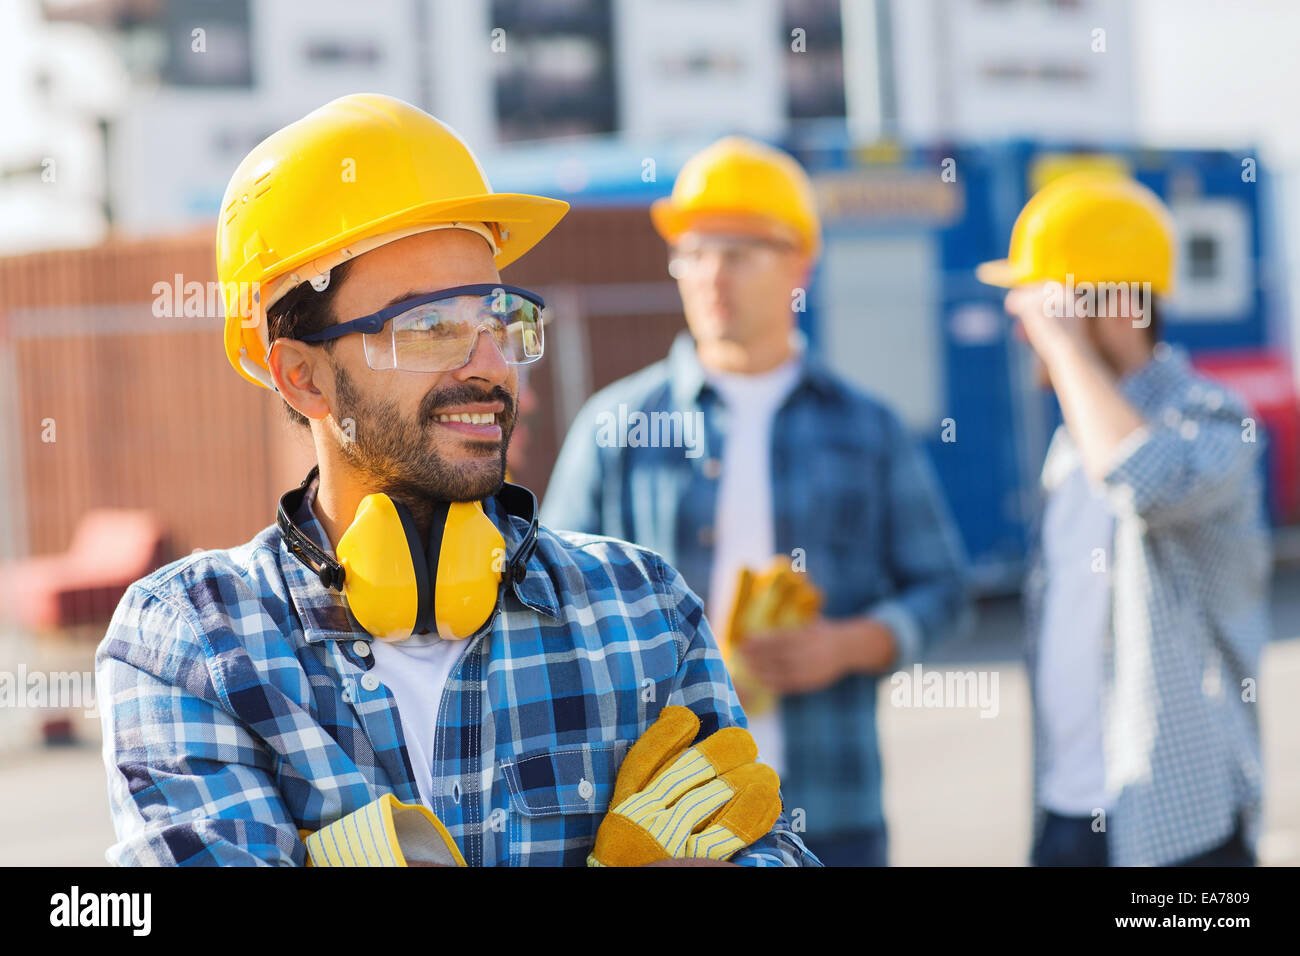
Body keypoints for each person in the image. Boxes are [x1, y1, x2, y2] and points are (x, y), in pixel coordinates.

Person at [94, 94, 819, 867]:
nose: (491, 365)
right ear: (303, 378)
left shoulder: (642, 609)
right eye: (431, 327)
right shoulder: (194, 645)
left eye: (500, 319)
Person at [542, 136, 969, 866]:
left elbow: (944, 589)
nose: (711, 274)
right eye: (694, 252)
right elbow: (547, 611)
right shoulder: (617, 427)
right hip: (665, 817)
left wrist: (849, 645)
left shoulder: (866, 428)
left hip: (831, 809)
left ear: (800, 265)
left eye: (738, 252)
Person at [978, 172, 1270, 867]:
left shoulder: (1212, 417)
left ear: (1113, 307)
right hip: (1068, 812)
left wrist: (1070, 348)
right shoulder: (1073, 441)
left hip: (1180, 824)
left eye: (1043, 305)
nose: (1027, 331)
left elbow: (1148, 482)